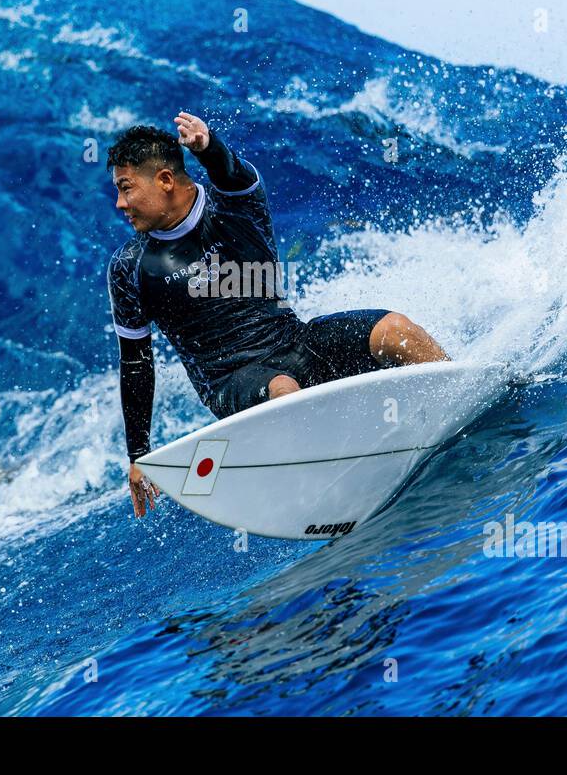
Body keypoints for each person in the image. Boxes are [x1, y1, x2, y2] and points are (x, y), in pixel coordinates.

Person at [107, 112, 450, 516]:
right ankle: (339, 496)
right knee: (284, 390)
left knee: (395, 330)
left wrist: (209, 147)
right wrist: (138, 454)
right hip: (229, 379)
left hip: (293, 341)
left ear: (165, 180)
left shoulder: (234, 206)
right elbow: (135, 362)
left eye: (126, 188)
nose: (120, 203)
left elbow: (232, 173)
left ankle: (459, 405)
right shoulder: (130, 267)